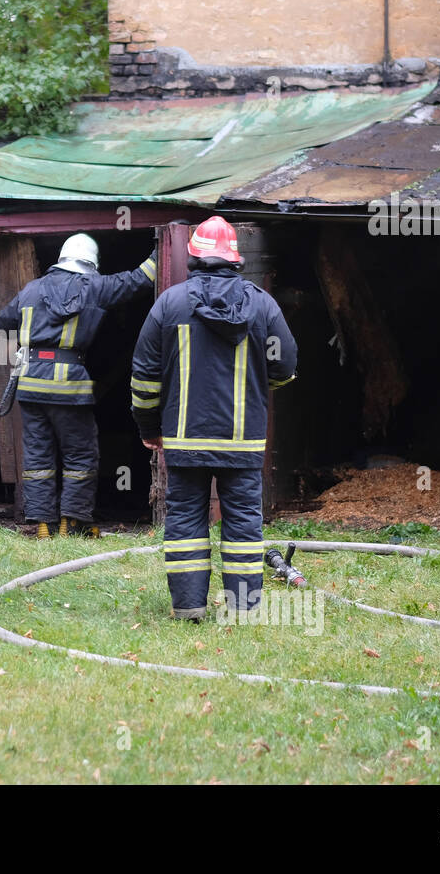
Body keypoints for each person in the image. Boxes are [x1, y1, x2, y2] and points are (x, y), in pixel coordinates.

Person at [130, 216, 296, 620]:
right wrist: (257, 386)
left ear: (195, 256)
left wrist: (150, 430)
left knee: (186, 520)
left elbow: (144, 378)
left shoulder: (168, 305)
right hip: (243, 441)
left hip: (185, 442)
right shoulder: (262, 304)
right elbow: (286, 367)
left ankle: (188, 609)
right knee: (242, 526)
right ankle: (244, 611)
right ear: (234, 259)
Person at [0, 233, 156, 538]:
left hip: (30, 385)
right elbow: (140, 280)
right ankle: (72, 522)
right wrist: (164, 248)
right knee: (80, 456)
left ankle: (43, 524)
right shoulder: (95, 287)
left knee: (38, 457)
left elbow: (4, 320)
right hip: (69, 387)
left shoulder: (32, 289)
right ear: (92, 262)